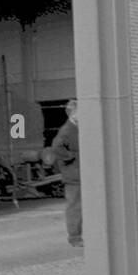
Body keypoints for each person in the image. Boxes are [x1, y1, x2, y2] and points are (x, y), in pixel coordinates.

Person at [49, 99, 83, 247]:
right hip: (73, 175)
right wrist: (71, 157)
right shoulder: (67, 129)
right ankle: (75, 237)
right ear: (73, 113)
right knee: (74, 206)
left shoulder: (76, 127)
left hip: (78, 173)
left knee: (78, 205)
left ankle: (78, 236)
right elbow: (56, 147)